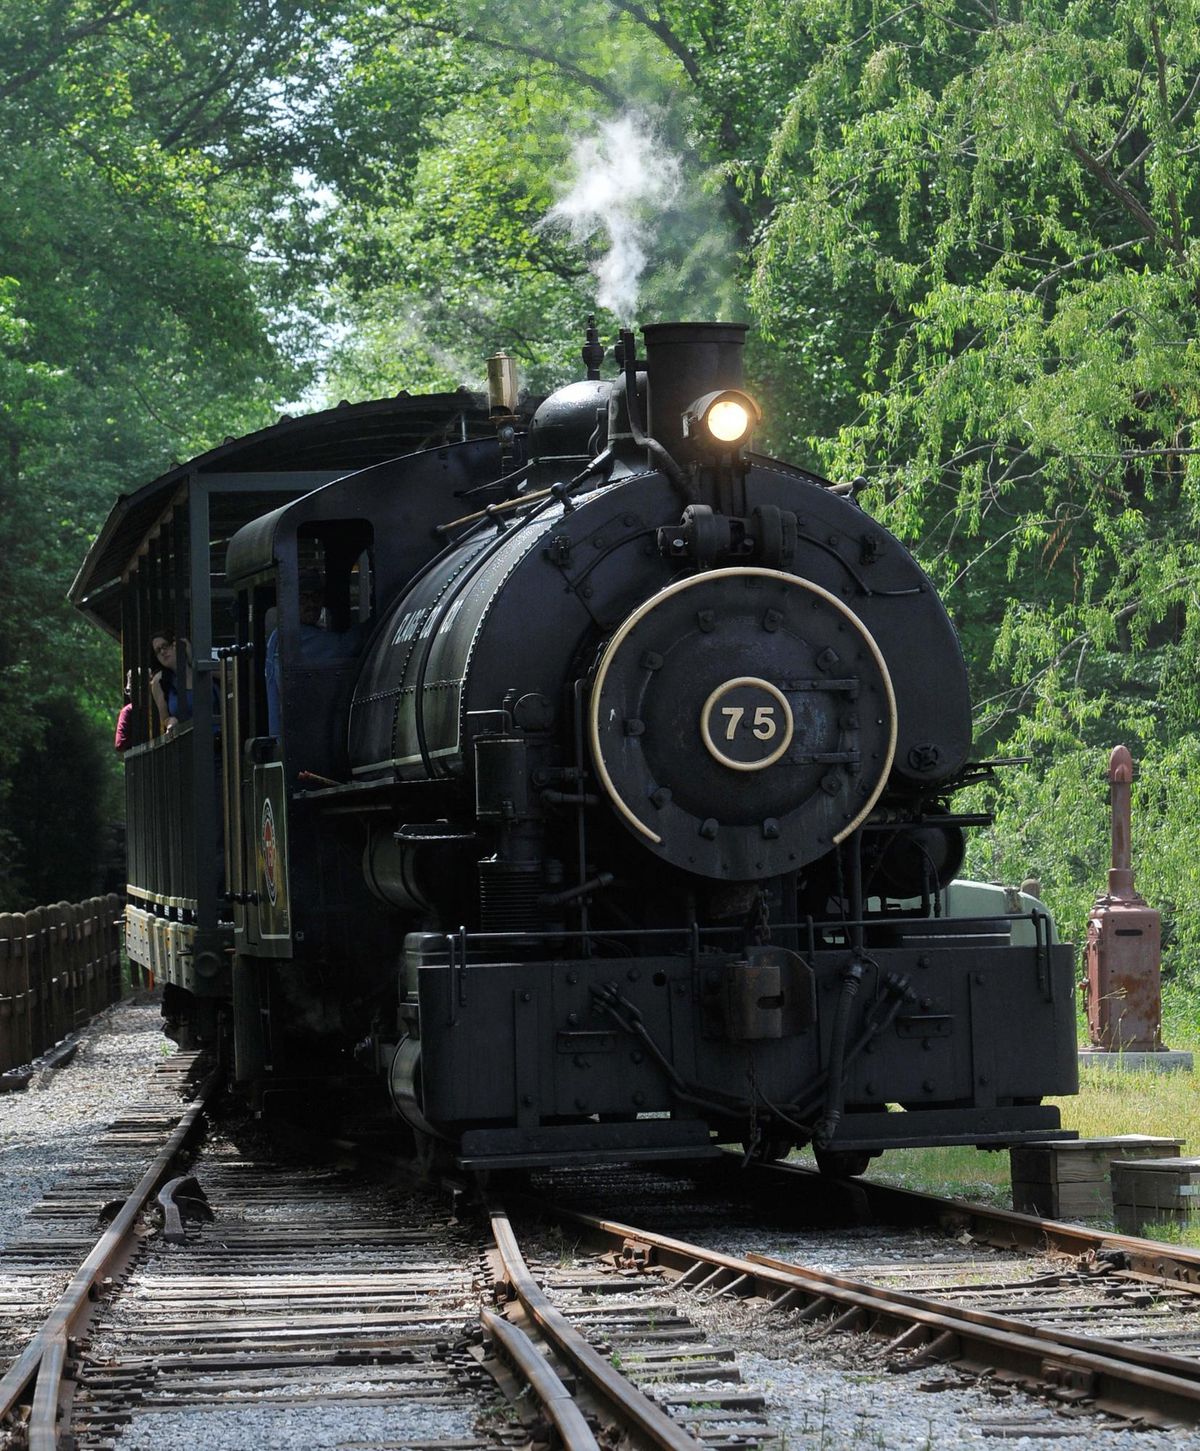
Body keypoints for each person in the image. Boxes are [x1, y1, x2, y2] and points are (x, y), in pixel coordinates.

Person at [149, 629, 194, 736]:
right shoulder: (159, 681)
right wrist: (170, 721)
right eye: (158, 651)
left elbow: (229, 674)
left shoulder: (200, 668)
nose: (163, 652)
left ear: (175, 644)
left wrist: (192, 661)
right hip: (188, 742)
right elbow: (164, 719)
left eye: (165, 646)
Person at [114, 670, 134, 753]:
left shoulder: (128, 711)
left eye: (129, 691)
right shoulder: (164, 703)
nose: (128, 694)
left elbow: (120, 744)